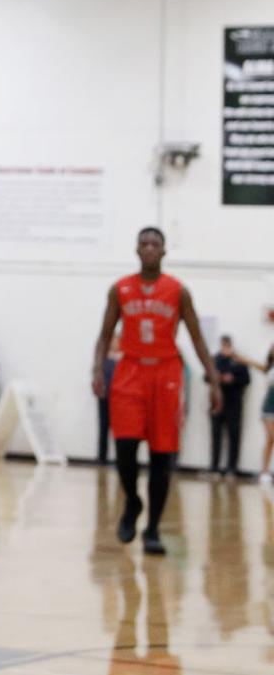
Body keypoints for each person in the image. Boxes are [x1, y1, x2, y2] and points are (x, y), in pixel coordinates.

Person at [92, 228, 222, 556]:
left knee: (162, 455)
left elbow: (196, 338)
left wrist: (213, 380)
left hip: (165, 373)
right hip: (130, 371)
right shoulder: (119, 289)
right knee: (124, 447)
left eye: (155, 244)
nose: (150, 248)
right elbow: (105, 334)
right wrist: (97, 369)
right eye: (144, 243)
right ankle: (133, 502)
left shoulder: (178, 291)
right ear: (136, 250)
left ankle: (152, 530)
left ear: (164, 251)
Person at [209, 335, 250, 479]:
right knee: (216, 437)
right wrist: (217, 377)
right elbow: (206, 377)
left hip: (234, 404)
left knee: (234, 436)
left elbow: (246, 380)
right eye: (223, 345)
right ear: (221, 345)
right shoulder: (214, 360)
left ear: (231, 345)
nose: (226, 348)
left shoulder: (239, 361)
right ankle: (214, 468)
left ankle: (232, 469)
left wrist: (233, 379)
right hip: (217, 403)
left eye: (228, 345)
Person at [97, 328, 122, 465]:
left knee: (118, 429)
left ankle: (120, 459)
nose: (114, 343)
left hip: (118, 398)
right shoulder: (103, 358)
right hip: (104, 397)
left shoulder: (122, 359)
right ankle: (102, 458)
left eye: (115, 340)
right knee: (103, 427)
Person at [258, 346, 274, 486]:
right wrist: (237, 356)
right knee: (271, 438)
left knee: (270, 440)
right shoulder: (269, 368)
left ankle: (266, 471)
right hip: (269, 407)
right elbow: (254, 364)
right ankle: (264, 471)